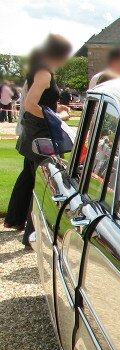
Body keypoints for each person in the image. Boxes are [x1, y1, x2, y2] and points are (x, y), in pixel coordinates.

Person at [4, 34, 72, 246]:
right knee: (45, 183)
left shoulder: (40, 70)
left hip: (35, 132)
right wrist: (57, 116)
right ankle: (32, 234)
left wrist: (54, 109)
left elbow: (39, 103)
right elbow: (33, 105)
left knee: (29, 178)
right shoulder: (44, 72)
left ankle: (17, 220)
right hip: (41, 135)